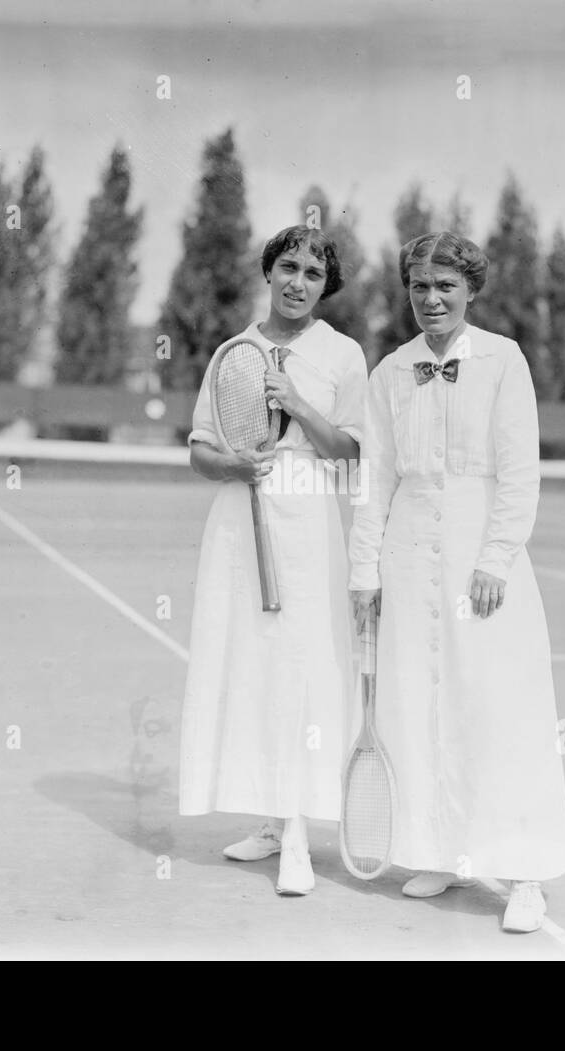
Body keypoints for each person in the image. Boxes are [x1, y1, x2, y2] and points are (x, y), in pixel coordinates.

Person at [348, 231, 565, 933]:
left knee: (499, 710)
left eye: (445, 285)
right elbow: (374, 480)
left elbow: (519, 471)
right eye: (419, 286)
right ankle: (440, 852)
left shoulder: (504, 360)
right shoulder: (389, 372)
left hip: (481, 560)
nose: (431, 299)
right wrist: (363, 569)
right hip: (408, 562)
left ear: (470, 288)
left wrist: (496, 559)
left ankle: (524, 872)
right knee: (418, 706)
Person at [179, 225, 367, 895]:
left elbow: (352, 453)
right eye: (288, 266)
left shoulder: (343, 355)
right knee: (254, 666)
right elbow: (200, 447)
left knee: (302, 671)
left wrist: (298, 406)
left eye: (313, 274)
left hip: (309, 528)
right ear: (269, 271)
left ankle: (297, 835)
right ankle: (270, 816)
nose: (298, 281)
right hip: (240, 522)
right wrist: (233, 463)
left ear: (326, 285)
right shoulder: (234, 350)